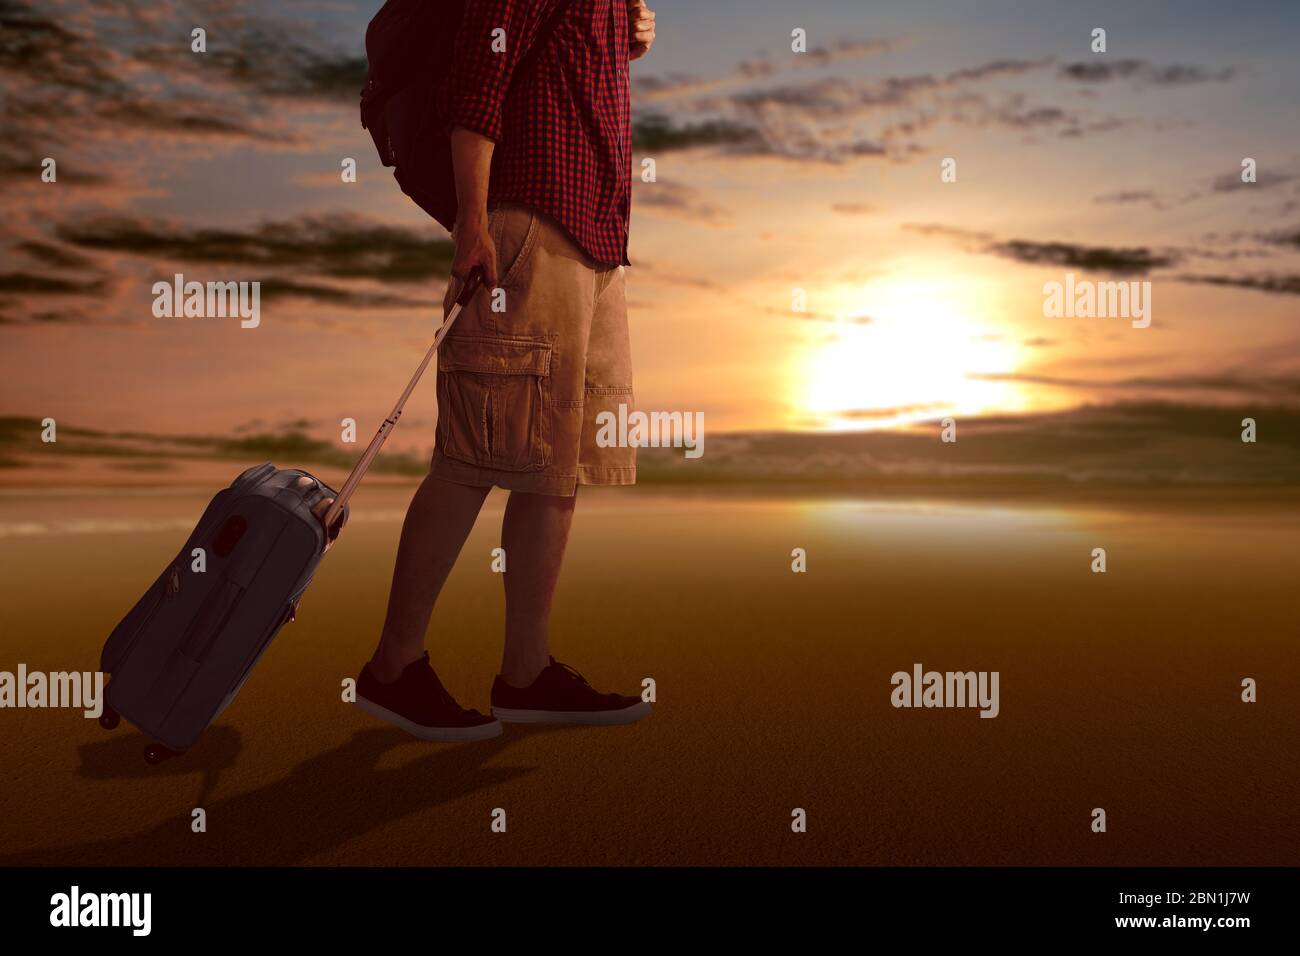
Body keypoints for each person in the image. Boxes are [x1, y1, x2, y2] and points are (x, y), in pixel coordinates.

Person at [353, 0, 657, 741]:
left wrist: (629, 32)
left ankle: (526, 674)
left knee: (557, 464)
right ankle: (394, 667)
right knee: (474, 454)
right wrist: (473, 224)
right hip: (527, 221)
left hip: (595, 238)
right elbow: (478, 82)